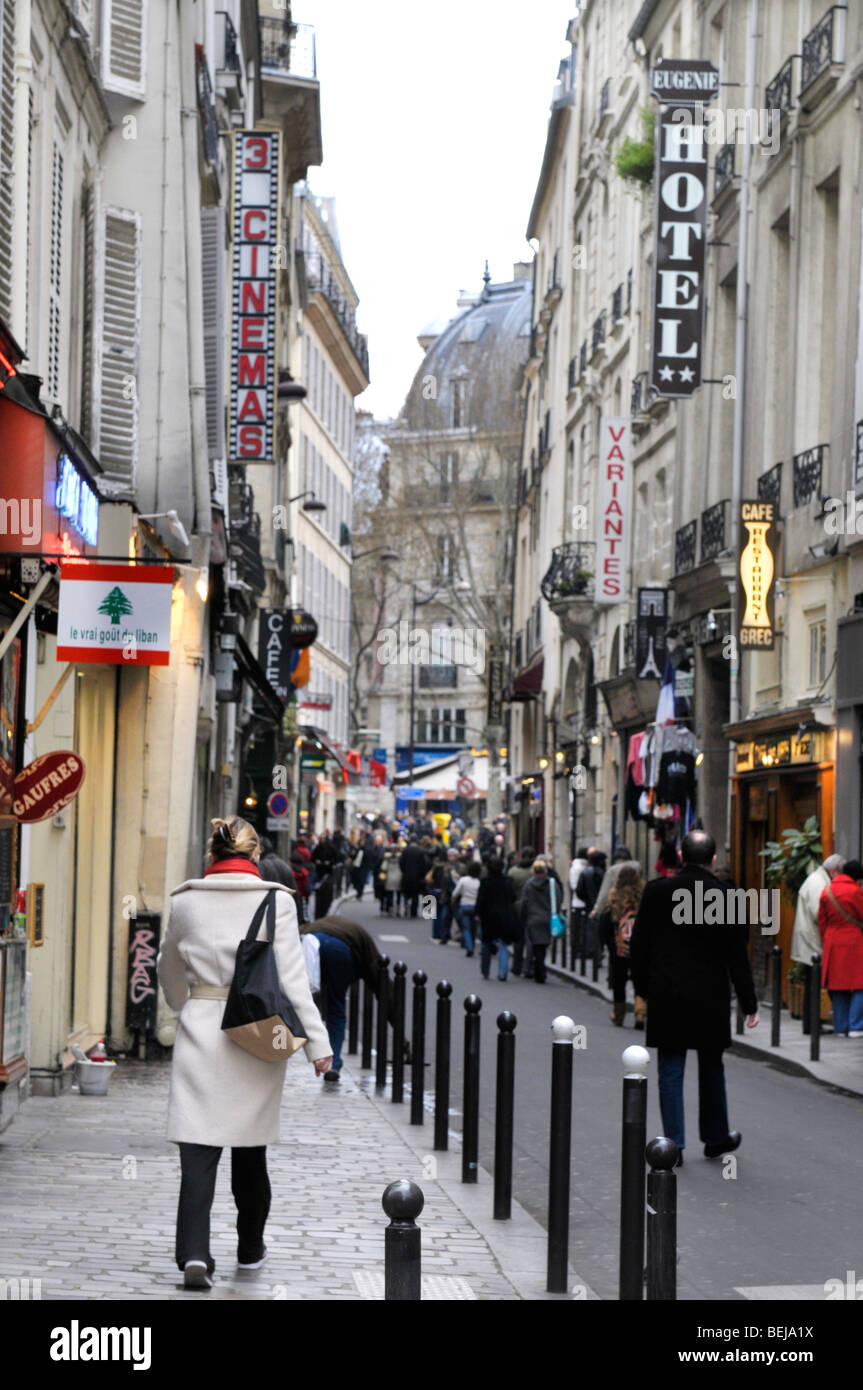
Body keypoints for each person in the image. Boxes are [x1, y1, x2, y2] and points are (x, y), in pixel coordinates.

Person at [156, 816, 332, 1290]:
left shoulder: (185, 900)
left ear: (212, 854)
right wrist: (318, 1045)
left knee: (197, 1151)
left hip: (201, 1025)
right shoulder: (275, 901)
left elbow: (167, 969)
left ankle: (194, 1252)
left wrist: (183, 1007)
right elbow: (294, 982)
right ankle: (250, 1247)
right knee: (250, 1150)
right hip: (255, 1034)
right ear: (254, 856)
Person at [629, 829, 759, 1164]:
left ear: (682, 857)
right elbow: (737, 956)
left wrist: (643, 989)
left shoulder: (657, 891)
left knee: (671, 1069)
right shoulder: (725, 896)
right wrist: (749, 1003)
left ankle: (673, 1144)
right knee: (712, 1067)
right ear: (713, 859)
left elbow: (640, 947)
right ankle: (716, 1137)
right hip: (710, 997)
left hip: (667, 995)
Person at [300, 915, 392, 1083]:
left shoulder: (314, 926)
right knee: (336, 1006)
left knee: (305, 1002)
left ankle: (285, 1046)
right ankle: (332, 1064)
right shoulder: (360, 936)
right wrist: (401, 1035)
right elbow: (380, 981)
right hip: (340, 951)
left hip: (311, 944)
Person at [791, 853, 844, 1033]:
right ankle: (812, 1025)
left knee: (812, 983)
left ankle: (812, 1024)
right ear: (834, 869)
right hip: (812, 940)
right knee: (813, 983)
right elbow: (818, 911)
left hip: (811, 938)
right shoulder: (818, 882)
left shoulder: (818, 879)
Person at [817, 859, 863, 1037]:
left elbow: (822, 921)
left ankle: (840, 1026)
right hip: (854, 941)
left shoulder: (826, 891)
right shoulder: (855, 891)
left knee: (838, 986)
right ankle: (855, 1025)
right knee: (859, 984)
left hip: (832, 941)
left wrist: (826, 939)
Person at [606, 864, 646, 1028]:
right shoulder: (644, 894)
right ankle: (640, 1013)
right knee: (640, 979)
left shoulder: (615, 894)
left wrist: (609, 943)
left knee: (619, 980)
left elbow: (607, 921)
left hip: (620, 944)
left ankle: (618, 1013)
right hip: (641, 943)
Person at [475, 856, 519, 981]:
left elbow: (480, 899)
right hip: (504, 916)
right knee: (503, 944)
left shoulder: (485, 882)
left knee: (486, 943)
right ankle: (502, 973)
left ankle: (485, 970)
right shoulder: (507, 881)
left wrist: (477, 913)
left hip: (488, 917)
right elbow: (513, 897)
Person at [519, 858, 555, 983]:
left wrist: (523, 917)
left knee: (535, 946)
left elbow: (524, 902)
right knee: (543, 946)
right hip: (547, 918)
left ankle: (540, 971)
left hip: (533, 918)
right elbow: (558, 899)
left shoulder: (529, 884)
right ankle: (540, 971)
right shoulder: (551, 884)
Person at [508, 847, 535, 976]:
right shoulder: (536, 871)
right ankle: (528, 967)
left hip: (517, 908)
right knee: (531, 939)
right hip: (533, 908)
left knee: (518, 940)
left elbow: (508, 891)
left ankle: (516, 966)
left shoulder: (513, 872)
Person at [451, 862, 481, 956]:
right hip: (475, 906)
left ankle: (469, 947)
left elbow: (455, 893)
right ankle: (471, 944)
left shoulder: (463, 880)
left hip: (465, 905)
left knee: (466, 928)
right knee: (474, 928)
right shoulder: (479, 882)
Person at [399, 836, 430, 918]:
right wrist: (422, 875)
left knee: (406, 893)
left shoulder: (405, 850)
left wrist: (404, 871)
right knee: (415, 895)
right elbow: (423, 864)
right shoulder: (420, 851)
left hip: (407, 875)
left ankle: (406, 907)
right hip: (417, 876)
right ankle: (414, 912)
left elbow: (401, 862)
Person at [311, 832, 339, 919]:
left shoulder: (331, 848)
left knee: (327, 893)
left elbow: (336, 858)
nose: (322, 840)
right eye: (321, 839)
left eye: (324, 839)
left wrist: (329, 862)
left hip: (328, 873)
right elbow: (312, 858)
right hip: (319, 873)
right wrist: (317, 861)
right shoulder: (318, 848)